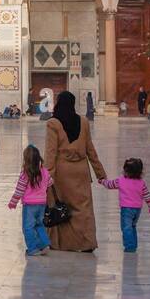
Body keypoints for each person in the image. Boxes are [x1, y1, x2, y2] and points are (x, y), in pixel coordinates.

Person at [45, 91, 106, 253]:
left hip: (62, 173)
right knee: (83, 208)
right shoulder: (84, 121)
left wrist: (46, 177)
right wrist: (100, 174)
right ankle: (86, 243)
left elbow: (50, 152)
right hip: (81, 172)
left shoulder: (53, 123)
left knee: (61, 206)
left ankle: (62, 243)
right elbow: (90, 150)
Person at [99, 158, 150, 254]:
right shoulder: (141, 183)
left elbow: (109, 185)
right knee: (133, 226)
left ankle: (129, 247)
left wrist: (102, 181)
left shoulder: (120, 181)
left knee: (126, 228)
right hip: (137, 210)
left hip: (126, 209)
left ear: (126, 171)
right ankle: (133, 245)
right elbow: (147, 196)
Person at [7, 144, 53, 257]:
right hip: (42, 204)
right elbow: (50, 182)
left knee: (28, 228)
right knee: (39, 225)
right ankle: (44, 244)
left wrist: (13, 202)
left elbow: (19, 190)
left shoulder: (25, 174)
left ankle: (32, 249)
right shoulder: (44, 171)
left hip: (29, 206)